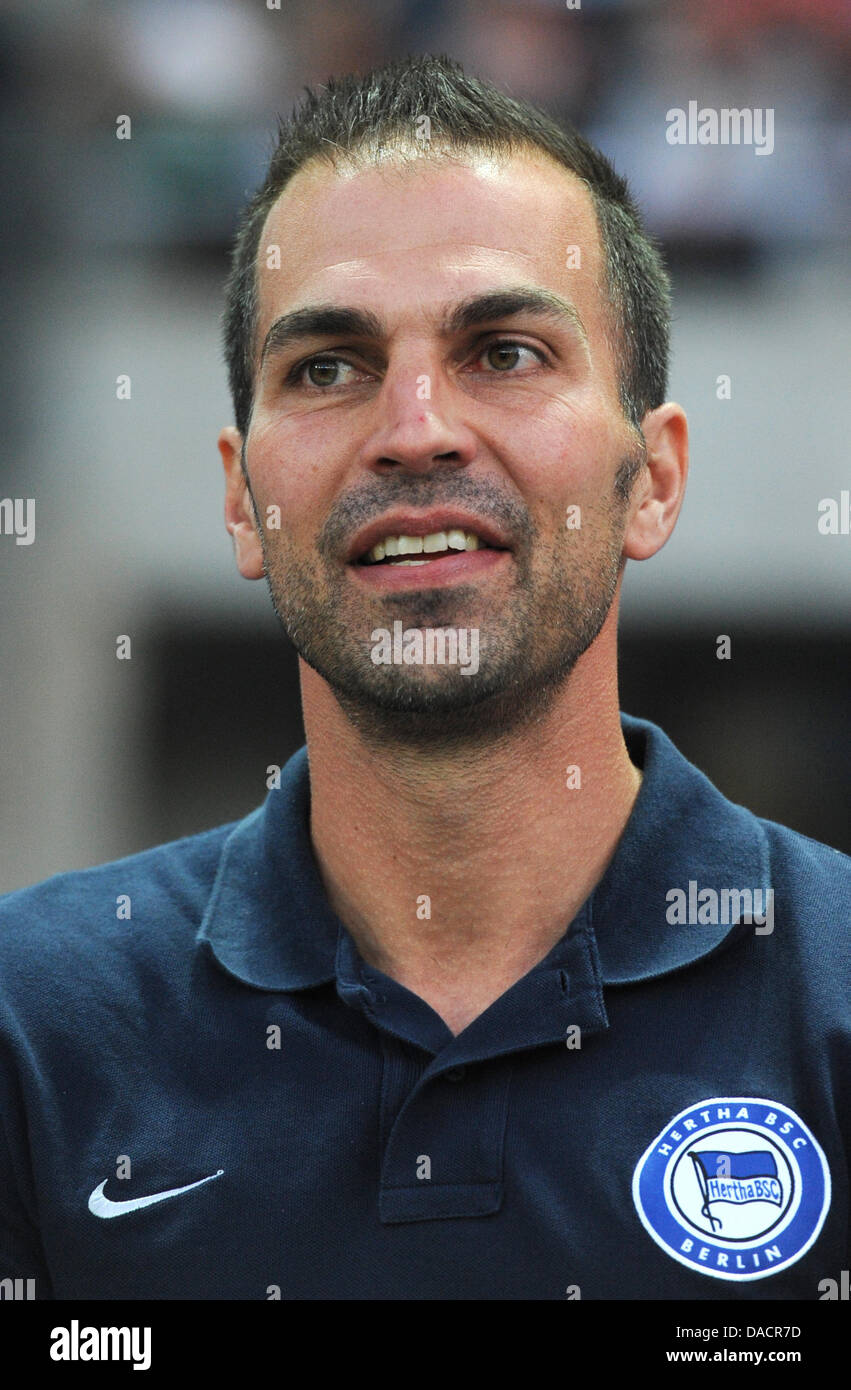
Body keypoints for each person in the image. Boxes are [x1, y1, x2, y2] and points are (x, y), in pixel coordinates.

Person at [0, 54, 847, 1302]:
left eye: (502, 351)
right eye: (327, 368)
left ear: (652, 479)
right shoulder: (36, 1017)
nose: (413, 429)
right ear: (241, 500)